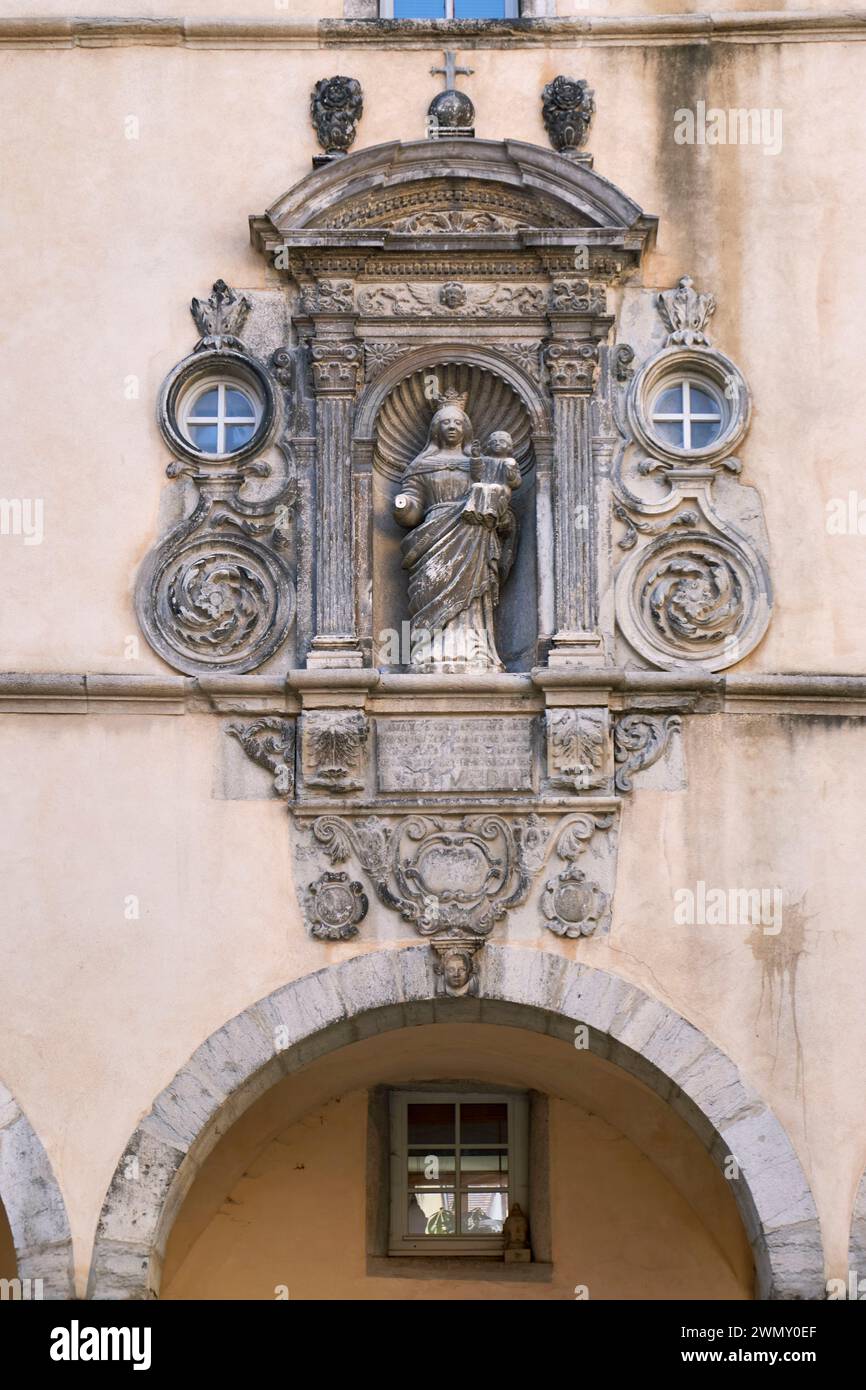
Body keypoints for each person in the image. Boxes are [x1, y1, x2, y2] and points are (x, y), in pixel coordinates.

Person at [393, 401, 519, 671]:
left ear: (467, 428)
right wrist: (403, 506)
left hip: (473, 531)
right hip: (434, 532)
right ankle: (429, 649)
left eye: (457, 422)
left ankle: (473, 648)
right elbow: (413, 508)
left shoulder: (479, 464)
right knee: (432, 584)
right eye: (446, 422)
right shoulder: (422, 465)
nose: (452, 427)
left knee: (472, 594)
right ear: (435, 429)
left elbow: (499, 497)